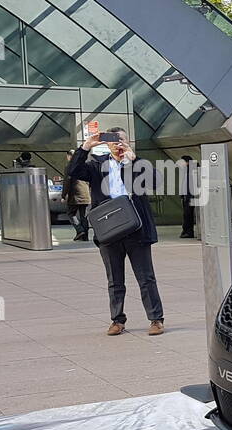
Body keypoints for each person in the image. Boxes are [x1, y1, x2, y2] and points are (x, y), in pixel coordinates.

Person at [69, 127, 165, 336]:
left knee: (146, 277)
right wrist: (86, 147)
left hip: (136, 228)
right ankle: (117, 320)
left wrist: (134, 159)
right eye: (112, 140)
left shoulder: (136, 163)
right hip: (109, 228)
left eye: (120, 139)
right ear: (106, 143)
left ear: (128, 141)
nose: (116, 143)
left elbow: (157, 182)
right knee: (114, 279)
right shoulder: (96, 165)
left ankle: (156, 319)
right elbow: (73, 172)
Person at [63, 148, 92, 240]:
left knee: (71, 213)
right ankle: (85, 236)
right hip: (86, 194)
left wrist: (63, 195)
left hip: (75, 195)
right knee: (84, 216)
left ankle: (80, 230)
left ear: (69, 156)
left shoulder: (70, 167)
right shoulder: (84, 165)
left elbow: (66, 182)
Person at [179, 155, 198, 239]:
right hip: (186, 195)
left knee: (188, 215)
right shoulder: (186, 170)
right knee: (186, 214)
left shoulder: (192, 170)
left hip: (190, 195)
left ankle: (188, 231)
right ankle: (186, 230)